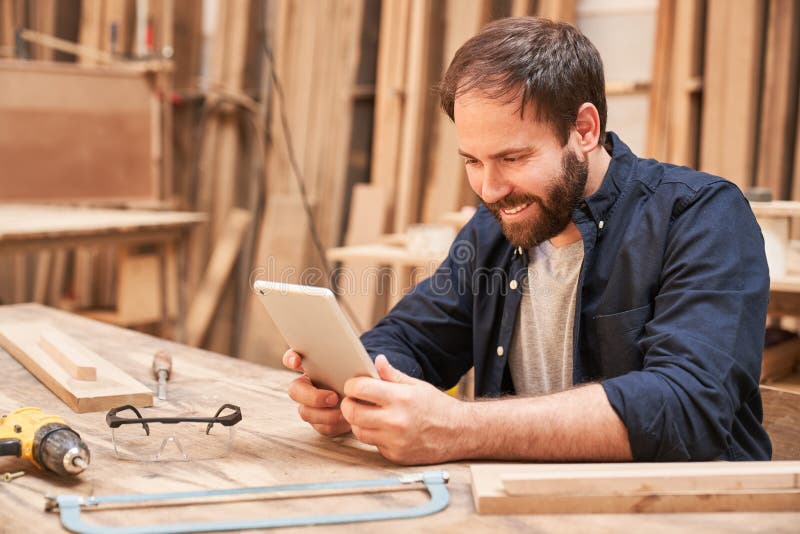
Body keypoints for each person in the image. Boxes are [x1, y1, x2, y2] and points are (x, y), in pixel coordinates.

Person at [283, 16, 771, 465]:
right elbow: (414, 338)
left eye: (512, 158)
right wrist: (357, 390)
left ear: (584, 129)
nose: (490, 190)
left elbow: (687, 406)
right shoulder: (495, 227)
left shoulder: (701, 216)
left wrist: (461, 427)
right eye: (472, 161)